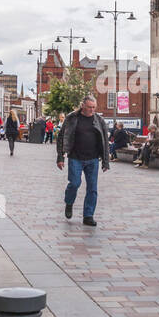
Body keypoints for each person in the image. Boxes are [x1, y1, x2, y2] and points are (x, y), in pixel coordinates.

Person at [57, 94, 109, 226]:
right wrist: (60, 157)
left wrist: (105, 161)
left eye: (94, 107)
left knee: (92, 188)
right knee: (74, 183)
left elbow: (105, 141)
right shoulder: (72, 118)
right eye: (89, 107)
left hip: (93, 159)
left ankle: (88, 215)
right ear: (83, 106)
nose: (92, 110)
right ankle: (69, 202)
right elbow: (62, 137)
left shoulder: (99, 120)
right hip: (75, 157)